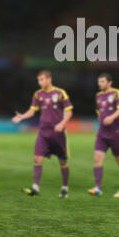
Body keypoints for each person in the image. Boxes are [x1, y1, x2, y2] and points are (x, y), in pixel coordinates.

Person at [13, 70, 73, 198]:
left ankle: (65, 187)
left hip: (58, 133)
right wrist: (23, 116)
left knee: (62, 161)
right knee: (37, 158)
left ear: (49, 79)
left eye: (42, 79)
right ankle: (35, 187)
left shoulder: (60, 93)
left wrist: (62, 124)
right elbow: (32, 111)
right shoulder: (38, 94)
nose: (40, 82)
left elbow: (69, 112)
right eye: (39, 80)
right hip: (43, 132)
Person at [89, 73, 119, 198]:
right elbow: (98, 111)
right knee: (97, 158)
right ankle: (97, 188)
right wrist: (102, 120)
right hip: (102, 133)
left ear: (109, 82)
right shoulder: (98, 95)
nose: (99, 84)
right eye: (98, 81)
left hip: (116, 133)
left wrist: (111, 117)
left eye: (102, 81)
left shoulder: (117, 93)